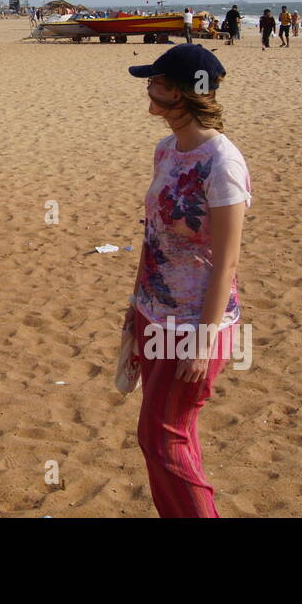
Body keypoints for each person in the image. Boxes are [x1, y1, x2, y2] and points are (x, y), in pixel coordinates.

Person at [124, 44, 250, 518]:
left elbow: (226, 261)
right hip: (154, 312)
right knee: (174, 435)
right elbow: (153, 234)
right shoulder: (166, 150)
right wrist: (135, 305)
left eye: (155, 82)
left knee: (160, 438)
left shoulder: (223, 163)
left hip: (195, 323)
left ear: (178, 93)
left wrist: (205, 338)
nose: (148, 89)